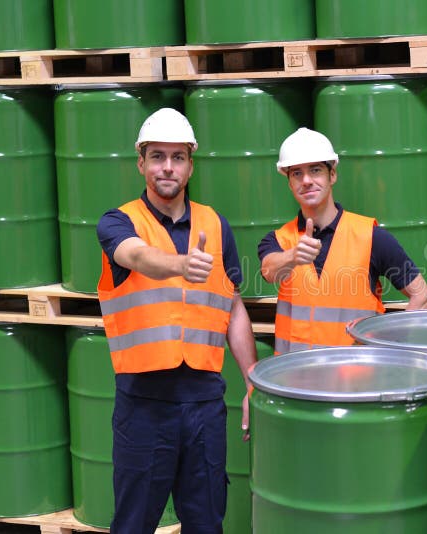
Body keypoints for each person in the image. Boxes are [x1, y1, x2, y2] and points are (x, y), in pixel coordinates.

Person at [96, 107, 257, 534]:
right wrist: (179, 264)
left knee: (206, 522)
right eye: (157, 156)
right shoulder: (119, 221)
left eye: (178, 157)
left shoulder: (215, 224)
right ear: (140, 162)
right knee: (133, 524)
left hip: (205, 403)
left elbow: (232, 307)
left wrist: (251, 380)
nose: (167, 167)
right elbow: (134, 255)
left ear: (190, 164)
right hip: (144, 404)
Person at [258, 127, 427, 354]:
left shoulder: (372, 238)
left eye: (316, 170)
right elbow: (269, 270)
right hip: (296, 381)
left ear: (332, 175)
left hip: (356, 383)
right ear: (289, 183)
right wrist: (293, 256)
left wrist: (388, 343)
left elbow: (423, 297)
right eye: (297, 173)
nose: (307, 180)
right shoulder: (278, 240)